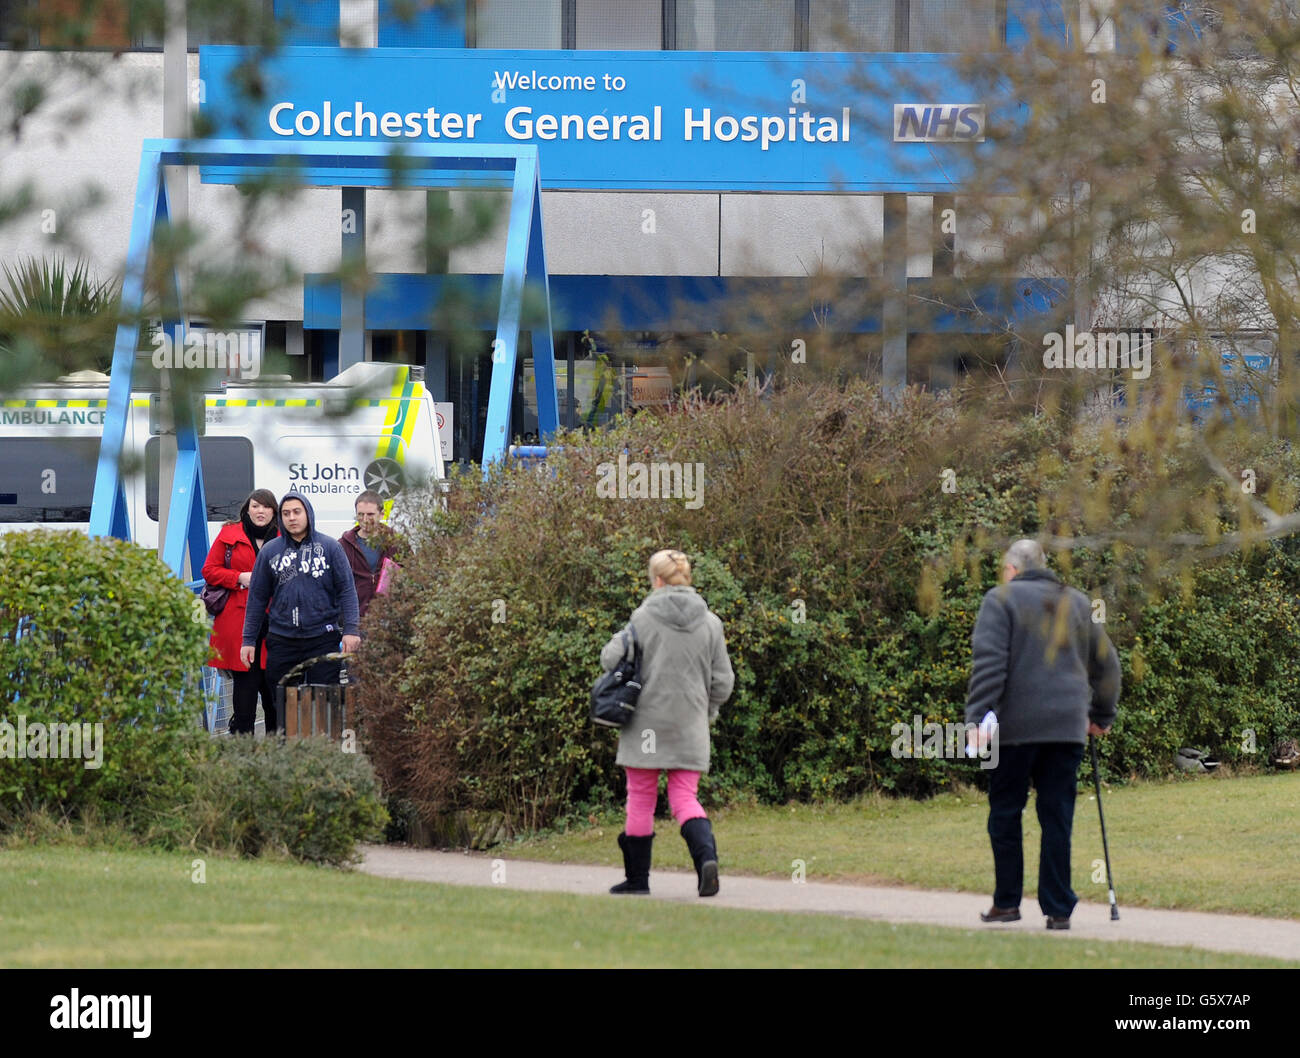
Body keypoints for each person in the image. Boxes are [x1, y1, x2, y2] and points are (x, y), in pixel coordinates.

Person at [965, 539, 1121, 930]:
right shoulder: (1078, 602)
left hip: (1012, 729)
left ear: (1013, 569)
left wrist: (977, 719)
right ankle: (1057, 909)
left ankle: (1006, 903)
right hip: (1066, 729)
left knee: (1004, 812)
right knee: (1056, 815)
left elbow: (989, 666)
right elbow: (1108, 665)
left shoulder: (999, 600)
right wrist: (1101, 715)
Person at [599, 549, 734, 897]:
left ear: (656, 580)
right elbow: (723, 682)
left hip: (645, 725)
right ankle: (707, 861)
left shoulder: (643, 618)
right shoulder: (711, 623)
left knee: (641, 799)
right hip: (690, 724)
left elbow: (610, 658)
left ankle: (638, 880)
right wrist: (707, 710)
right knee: (685, 798)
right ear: (686, 578)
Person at [240, 491, 361, 724]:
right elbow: (256, 599)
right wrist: (248, 640)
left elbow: (347, 589)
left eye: (296, 512)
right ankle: (291, 756)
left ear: (308, 513)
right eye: (286, 513)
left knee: (327, 704)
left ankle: (326, 754)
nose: (291, 518)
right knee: (284, 706)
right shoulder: (269, 552)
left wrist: (351, 629)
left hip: (322, 637)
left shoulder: (330, 548)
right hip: (282, 640)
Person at [202, 489, 279, 735]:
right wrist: (239, 577)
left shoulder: (284, 536)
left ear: (273, 511)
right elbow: (209, 570)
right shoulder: (229, 535)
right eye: (255, 506)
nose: (260, 511)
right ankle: (242, 756)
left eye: (266, 507)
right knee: (244, 699)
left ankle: (277, 757)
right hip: (240, 626)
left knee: (274, 701)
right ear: (247, 509)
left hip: (275, 627)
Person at [339, 490, 406, 619]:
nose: (365, 520)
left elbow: (411, 575)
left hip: (391, 619)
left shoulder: (396, 543)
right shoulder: (342, 546)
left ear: (382, 514)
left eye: (370, 514)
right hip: (355, 620)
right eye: (360, 515)